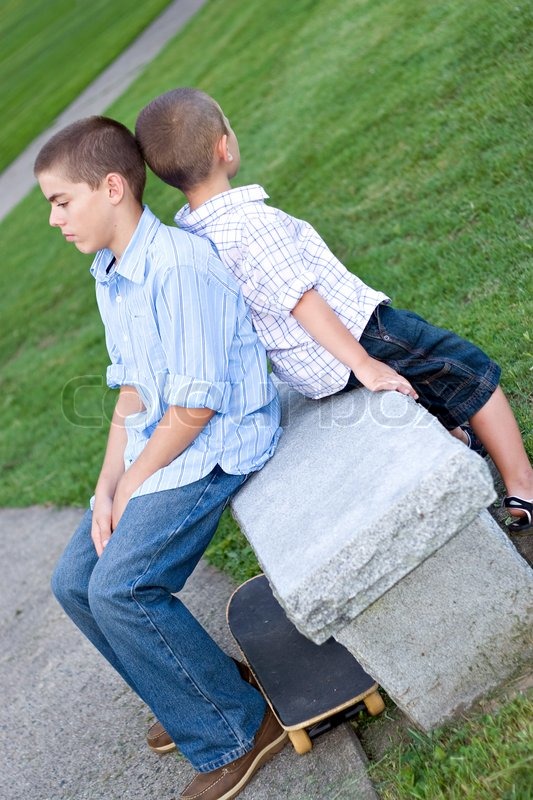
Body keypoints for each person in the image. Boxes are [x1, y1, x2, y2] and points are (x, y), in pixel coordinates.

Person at [135, 88, 533, 535]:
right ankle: (524, 488)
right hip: (358, 334)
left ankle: (458, 438)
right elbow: (300, 298)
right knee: (468, 369)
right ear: (224, 147)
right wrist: (364, 363)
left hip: (308, 369)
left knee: (421, 375)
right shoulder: (251, 224)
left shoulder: (195, 239)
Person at [34, 116, 288, 800]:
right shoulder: (110, 271)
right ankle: (198, 690)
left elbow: (195, 408)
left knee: (120, 589)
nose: (54, 220)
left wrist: (135, 484)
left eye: (61, 201)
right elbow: (134, 392)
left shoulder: (179, 266)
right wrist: (104, 487)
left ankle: (236, 728)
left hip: (216, 445)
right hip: (163, 449)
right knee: (73, 582)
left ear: (111, 187)